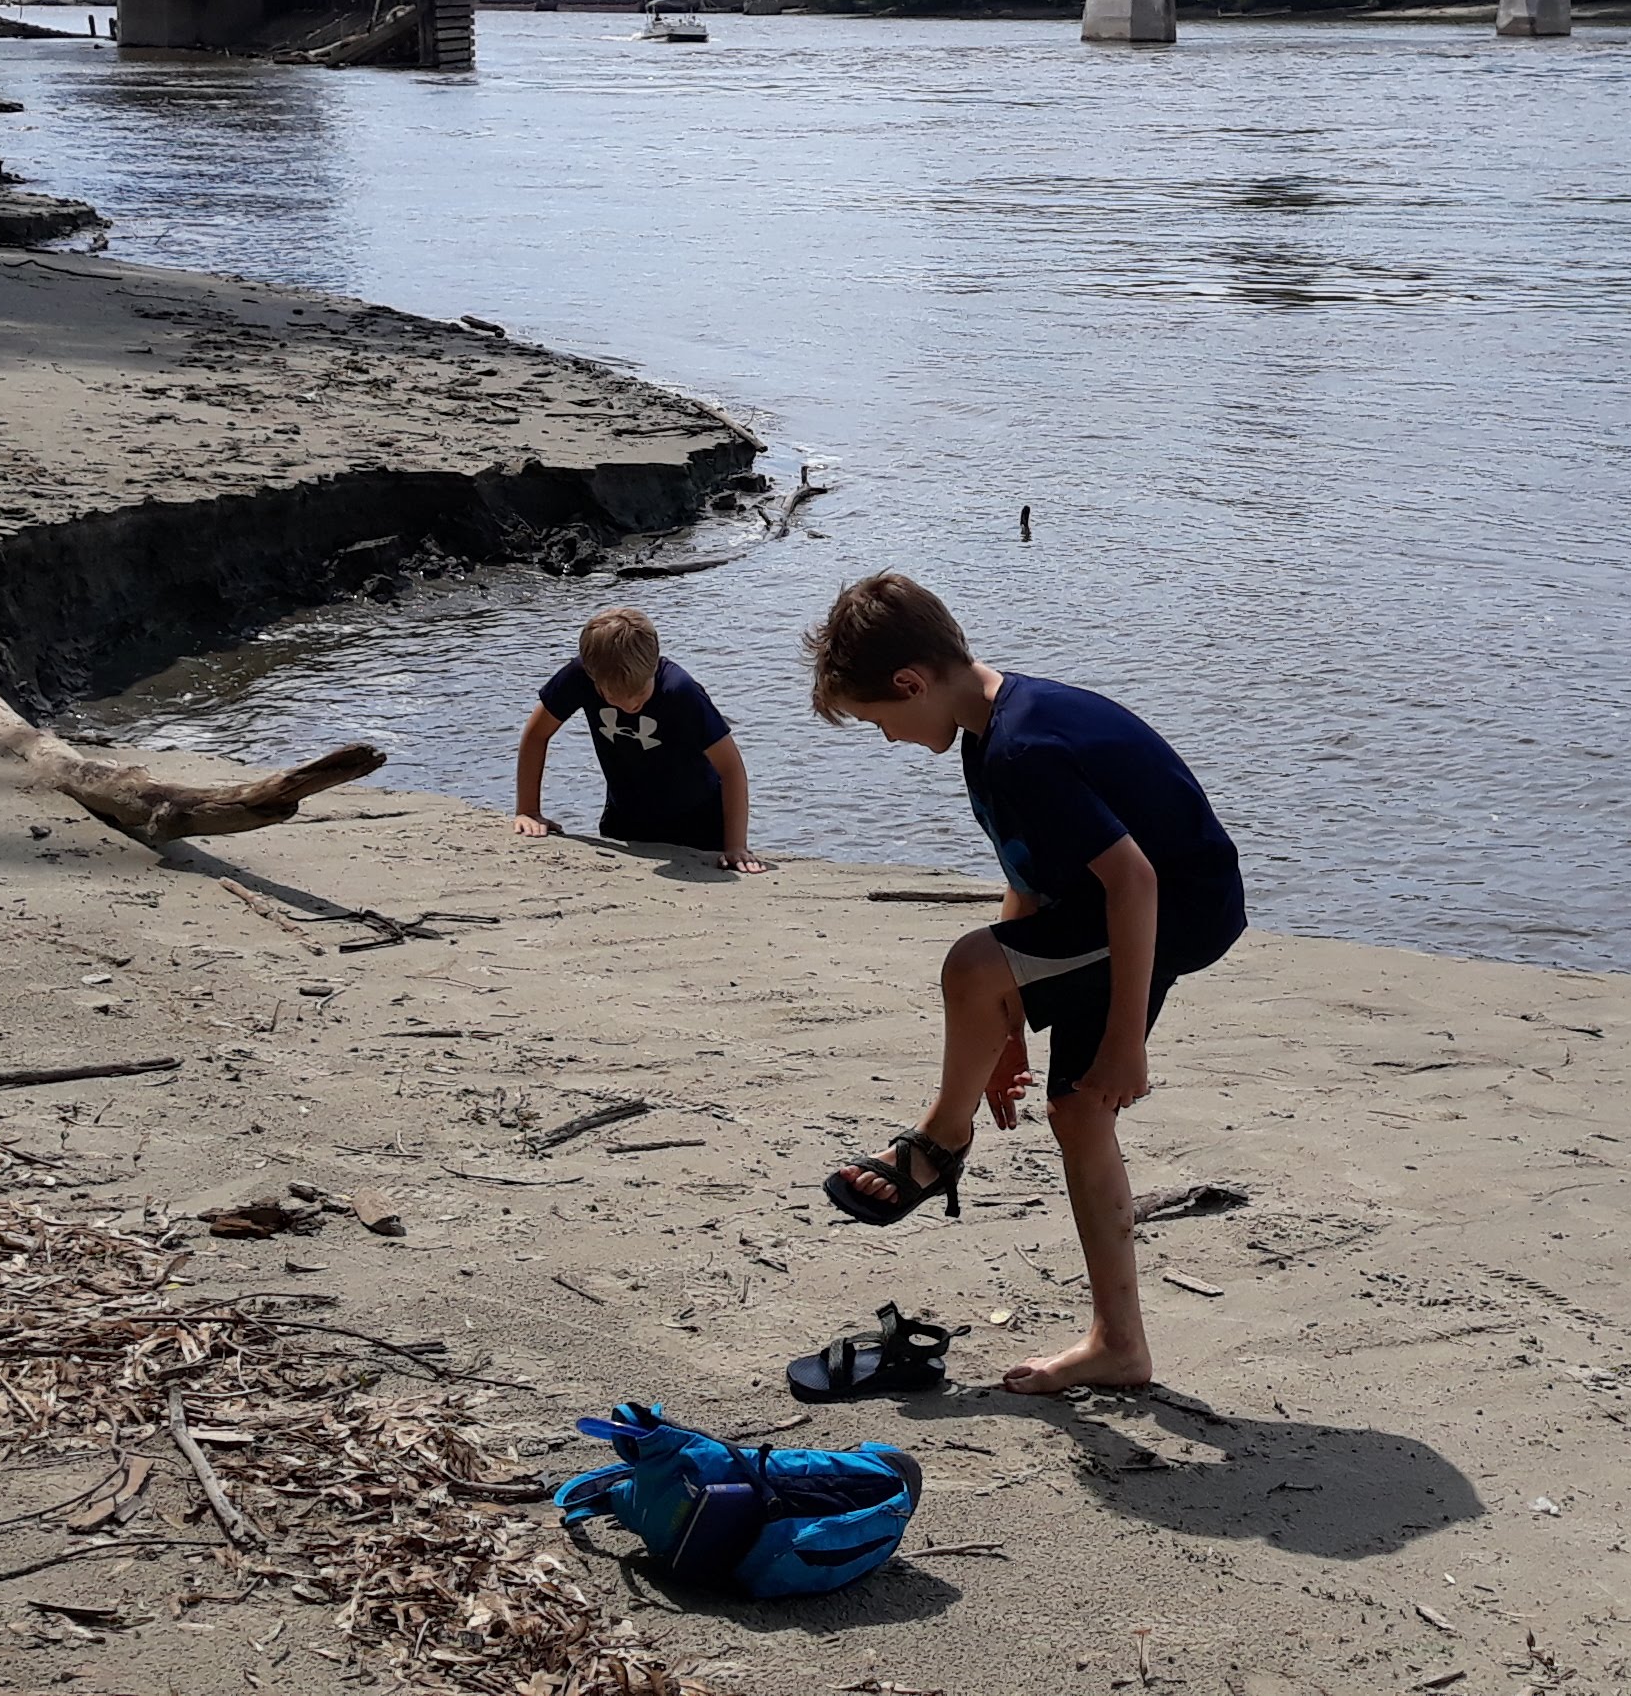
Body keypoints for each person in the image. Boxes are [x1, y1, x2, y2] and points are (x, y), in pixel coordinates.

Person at [803, 572, 1243, 1395]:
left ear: (911, 683)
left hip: (1174, 911)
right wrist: (1007, 1029)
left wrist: (1122, 1043)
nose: (890, 740)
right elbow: (1031, 886)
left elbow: (1136, 884)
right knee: (1077, 1112)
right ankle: (1120, 1347)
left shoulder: (1024, 747)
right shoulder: (987, 731)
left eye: (880, 722)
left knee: (968, 964)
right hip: (1114, 911)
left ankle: (939, 1143)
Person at [512, 606, 760, 872]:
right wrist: (528, 809)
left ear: (653, 665)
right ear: (592, 676)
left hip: (698, 821)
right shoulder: (579, 677)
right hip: (625, 817)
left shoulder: (680, 692)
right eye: (613, 696)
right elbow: (537, 734)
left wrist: (735, 845)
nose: (630, 704)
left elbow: (731, 769)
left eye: (640, 692)